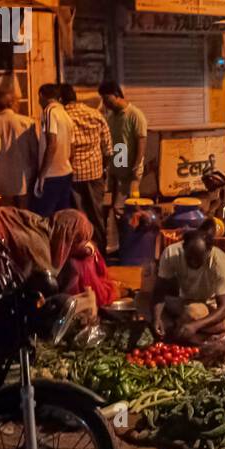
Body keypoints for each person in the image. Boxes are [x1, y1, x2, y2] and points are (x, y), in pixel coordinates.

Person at [152, 222, 225, 345]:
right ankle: (172, 326)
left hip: (211, 311)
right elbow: (159, 292)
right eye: (189, 258)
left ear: (208, 251)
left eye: (198, 258)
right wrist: (157, 317)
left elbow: (224, 308)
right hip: (185, 303)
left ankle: (181, 329)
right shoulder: (171, 253)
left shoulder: (220, 261)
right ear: (183, 248)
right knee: (141, 300)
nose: (193, 262)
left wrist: (195, 325)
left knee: (193, 311)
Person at [61, 84, 113, 253]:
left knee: (78, 217)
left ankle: (83, 253)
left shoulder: (62, 117)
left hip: (73, 175)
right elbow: (108, 148)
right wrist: (103, 168)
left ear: (61, 99)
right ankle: (101, 253)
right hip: (95, 174)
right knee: (97, 215)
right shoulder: (95, 115)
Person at [99, 81, 148, 233]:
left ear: (117, 95)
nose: (106, 103)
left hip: (129, 173)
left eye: (107, 99)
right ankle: (124, 242)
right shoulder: (112, 117)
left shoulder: (135, 115)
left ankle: (131, 240)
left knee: (122, 208)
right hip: (116, 170)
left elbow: (141, 141)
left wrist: (135, 166)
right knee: (117, 210)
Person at [49, 209, 116, 306]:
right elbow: (100, 297)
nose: (86, 243)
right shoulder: (75, 263)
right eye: (81, 239)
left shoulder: (87, 253)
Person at [0, 90, 37, 208]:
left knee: (1, 216)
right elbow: (35, 151)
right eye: (17, 102)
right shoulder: (27, 122)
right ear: (11, 103)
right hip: (23, 179)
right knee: (24, 214)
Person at [33, 83, 74, 218]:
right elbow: (72, 146)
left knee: (43, 216)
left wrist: (42, 174)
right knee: (61, 216)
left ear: (42, 96)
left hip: (52, 174)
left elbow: (52, 144)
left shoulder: (49, 112)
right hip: (66, 171)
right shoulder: (66, 115)